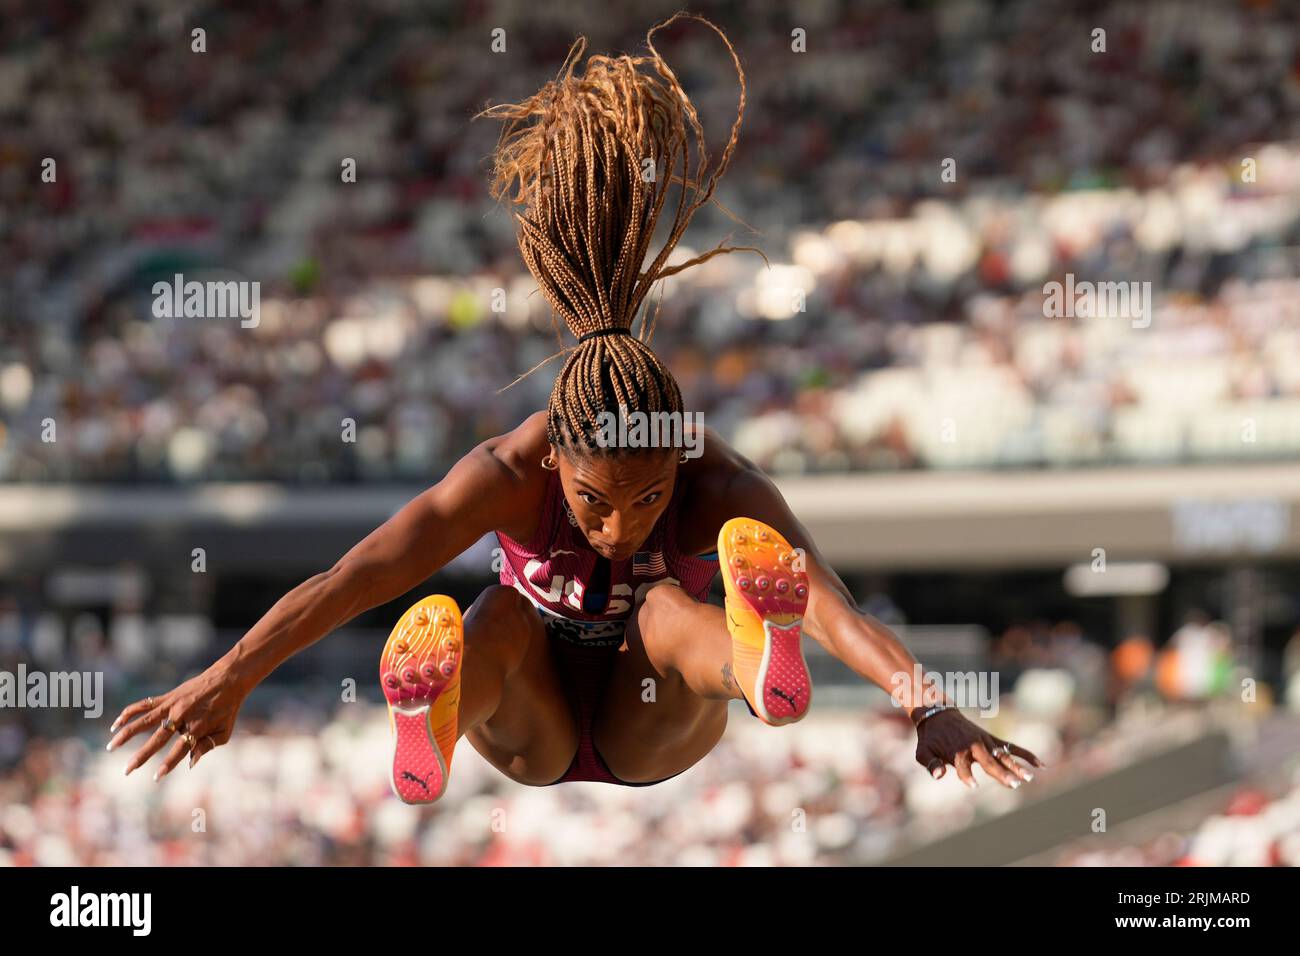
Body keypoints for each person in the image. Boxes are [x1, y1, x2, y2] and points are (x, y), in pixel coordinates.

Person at [106, 13, 1041, 802]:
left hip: (656, 727)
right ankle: (433, 716)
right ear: (557, 460)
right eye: (596, 502)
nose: (619, 527)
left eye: (646, 499)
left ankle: (757, 663)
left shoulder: (717, 483)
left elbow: (830, 601)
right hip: (532, 725)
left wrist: (926, 703)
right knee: (496, 616)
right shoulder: (506, 475)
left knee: (669, 609)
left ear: (676, 463)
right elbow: (353, 580)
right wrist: (229, 681)